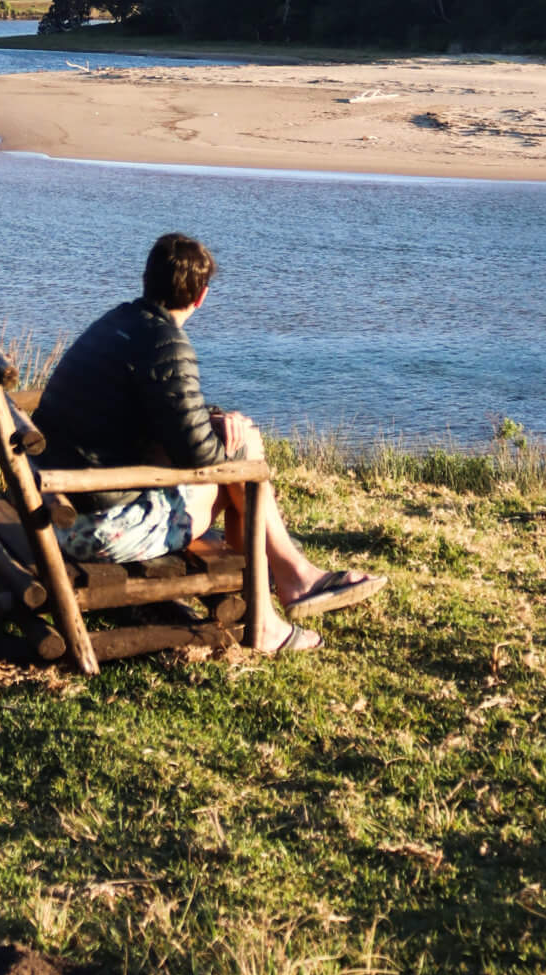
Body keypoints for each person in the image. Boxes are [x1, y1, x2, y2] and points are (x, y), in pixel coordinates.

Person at [32, 231, 383, 656]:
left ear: (147, 278)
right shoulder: (166, 343)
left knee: (238, 452)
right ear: (201, 296)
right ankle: (274, 607)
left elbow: (162, 408)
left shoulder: (118, 322)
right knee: (243, 467)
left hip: (56, 509)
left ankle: (289, 580)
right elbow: (196, 455)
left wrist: (214, 421)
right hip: (93, 531)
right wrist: (237, 444)